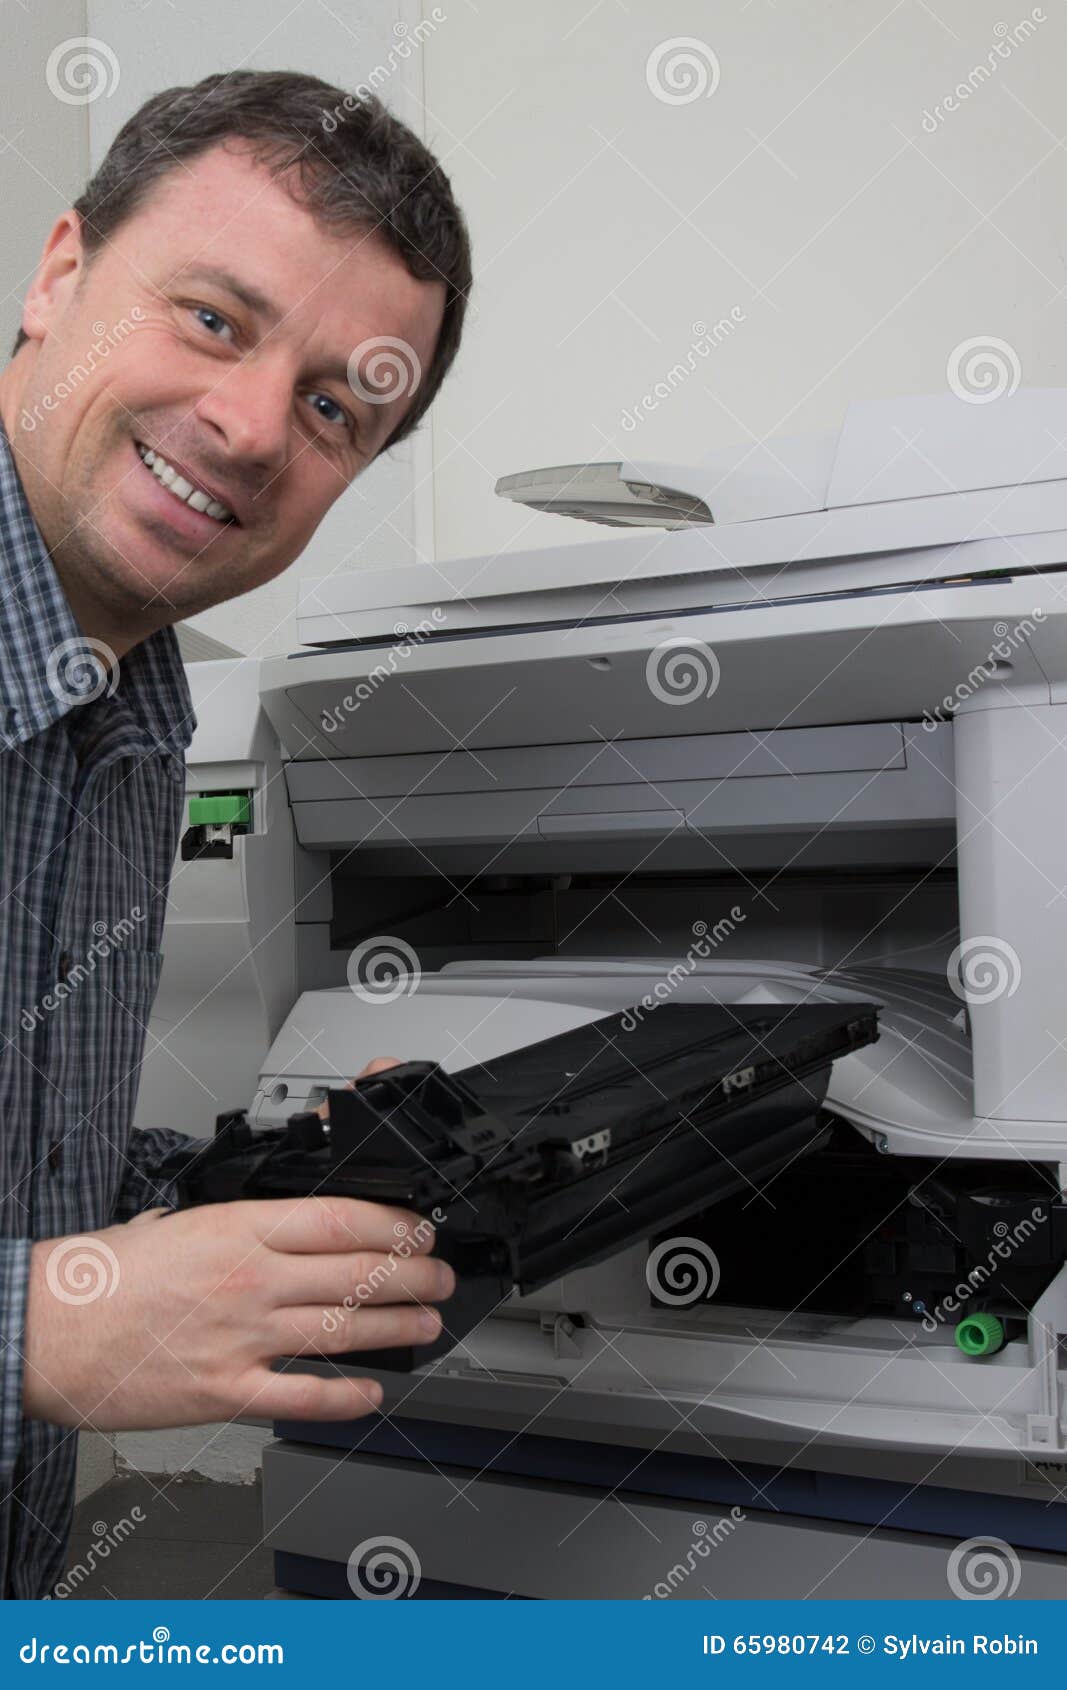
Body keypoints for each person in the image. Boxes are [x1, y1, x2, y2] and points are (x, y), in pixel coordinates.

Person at [0, 68, 472, 1598]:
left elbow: (38, 1167)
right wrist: (44, 1325)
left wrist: (261, 1188)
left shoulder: (138, 711)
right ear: (60, 273)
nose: (256, 427)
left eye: (338, 405)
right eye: (214, 319)